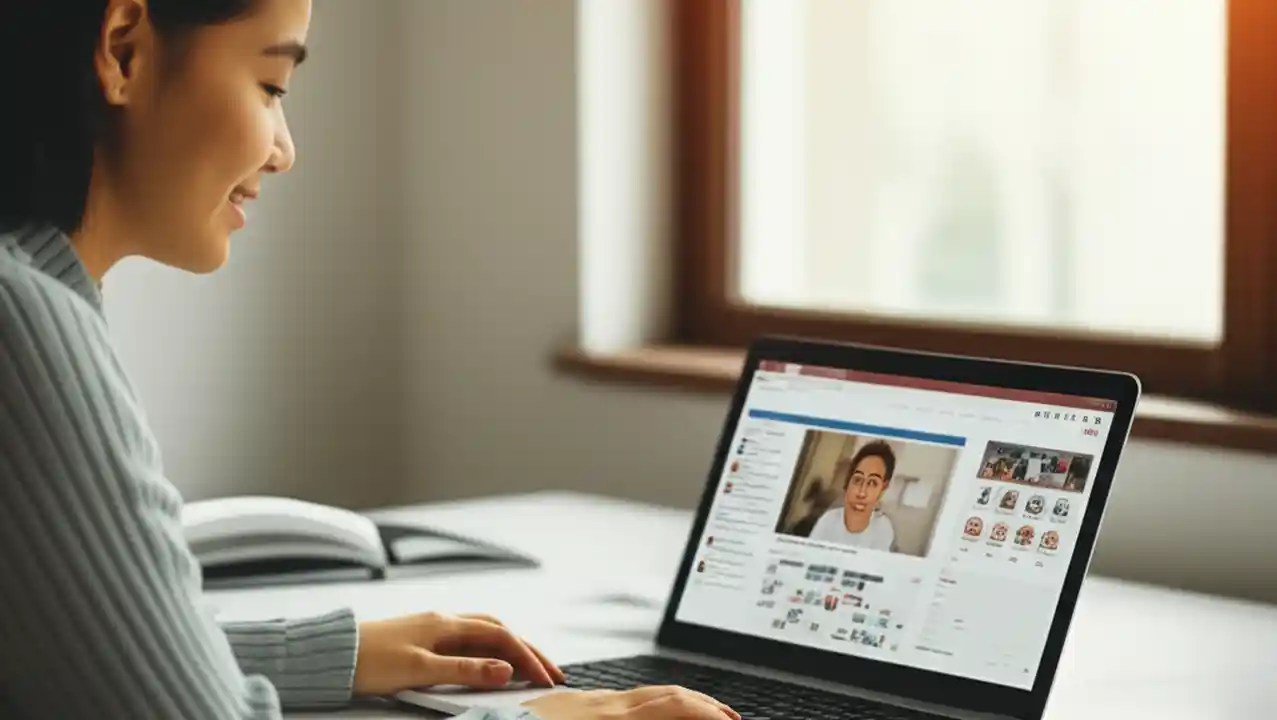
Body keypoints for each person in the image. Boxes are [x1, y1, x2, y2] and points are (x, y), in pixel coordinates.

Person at [0, 2, 739, 719]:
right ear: (124, 49)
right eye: (271, 86)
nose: (284, 150)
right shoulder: (23, 323)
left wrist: (334, 654)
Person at [807, 440, 897, 551]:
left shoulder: (883, 528)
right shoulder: (828, 521)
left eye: (873, 483)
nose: (862, 493)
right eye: (858, 480)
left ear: (883, 488)